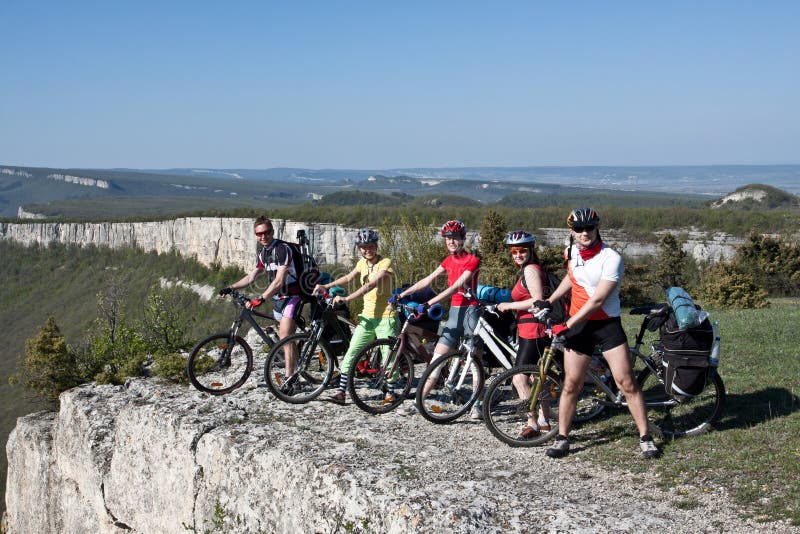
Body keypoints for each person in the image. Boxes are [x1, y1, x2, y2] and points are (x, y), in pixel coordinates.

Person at [534, 208, 660, 458]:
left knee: (626, 382)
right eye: (578, 229)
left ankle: (646, 437)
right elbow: (572, 278)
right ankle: (562, 438)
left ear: (596, 228)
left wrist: (567, 325)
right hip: (580, 326)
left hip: (605, 324)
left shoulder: (611, 258)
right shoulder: (571, 253)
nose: (584, 233)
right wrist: (551, 300)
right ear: (572, 231)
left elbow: (598, 300)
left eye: (588, 228)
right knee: (571, 384)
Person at [392, 219, 480, 416]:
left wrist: (429, 303)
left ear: (463, 238)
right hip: (455, 312)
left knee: (473, 359)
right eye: (448, 238)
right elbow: (428, 280)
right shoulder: (448, 260)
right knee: (437, 359)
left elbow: (456, 287)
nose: (451, 241)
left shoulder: (472, 260)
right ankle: (419, 402)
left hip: (471, 311)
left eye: (455, 238)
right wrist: (403, 294)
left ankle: (477, 404)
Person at [313, 228, 397, 404]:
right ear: (359, 248)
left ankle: (391, 393)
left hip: (386, 316)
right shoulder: (362, 263)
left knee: (387, 354)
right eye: (363, 247)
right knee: (352, 351)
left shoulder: (385, 263)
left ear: (376, 246)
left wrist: (347, 298)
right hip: (367, 316)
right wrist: (327, 286)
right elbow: (349, 277)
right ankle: (341, 393)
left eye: (371, 246)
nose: (367, 250)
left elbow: (372, 284)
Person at [218, 216, 301, 376]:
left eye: (266, 232)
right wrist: (230, 287)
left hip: (293, 296)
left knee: (285, 336)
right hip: (278, 300)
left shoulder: (283, 249)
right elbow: (252, 276)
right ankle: (297, 367)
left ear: (272, 231)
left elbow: (279, 281)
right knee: (286, 337)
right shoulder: (263, 253)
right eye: (259, 234)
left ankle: (291, 378)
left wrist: (261, 298)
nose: (263, 236)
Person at [496, 230, 551, 437]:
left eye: (522, 250)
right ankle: (544, 421)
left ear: (531, 250)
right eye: (514, 251)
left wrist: (510, 305)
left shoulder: (530, 270)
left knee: (519, 378)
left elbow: (537, 300)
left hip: (532, 329)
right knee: (539, 377)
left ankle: (532, 422)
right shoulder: (531, 269)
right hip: (533, 328)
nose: (517, 254)